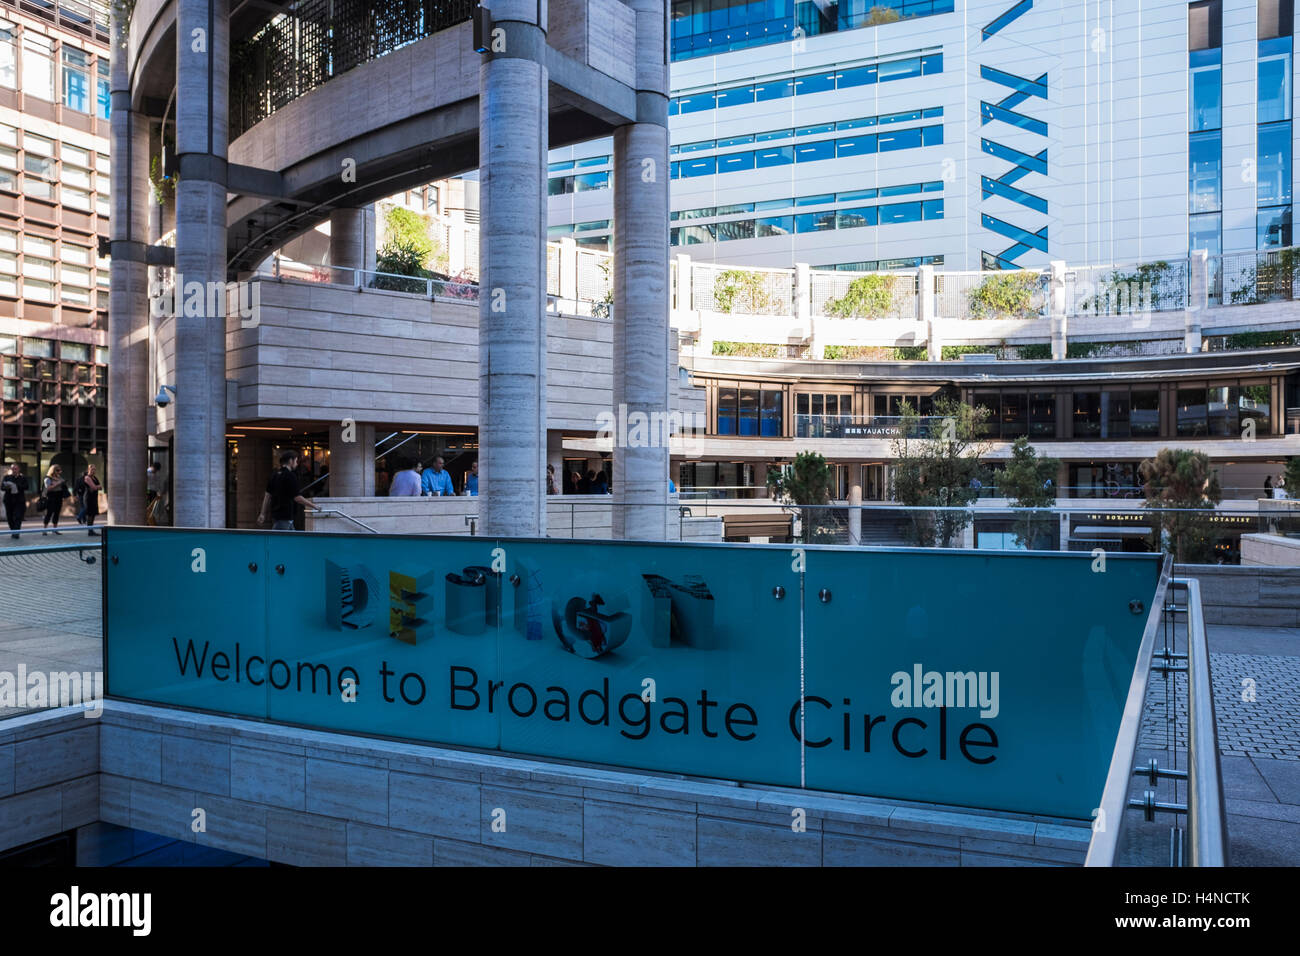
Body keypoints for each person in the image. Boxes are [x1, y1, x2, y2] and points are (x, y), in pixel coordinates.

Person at [258, 451, 319, 530]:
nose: (297, 464)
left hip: (277, 515)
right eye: (296, 461)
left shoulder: (274, 475)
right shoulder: (290, 476)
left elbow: (267, 496)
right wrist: (314, 506)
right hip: (285, 516)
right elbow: (297, 498)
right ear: (291, 461)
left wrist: (263, 513)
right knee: (279, 540)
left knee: (290, 540)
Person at [2, 463, 28, 539]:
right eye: (13, 469)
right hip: (8, 500)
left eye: (15, 469)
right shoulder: (6, 477)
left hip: (19, 500)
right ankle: (13, 531)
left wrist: (15, 485)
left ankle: (16, 533)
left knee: (18, 517)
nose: (14, 470)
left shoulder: (22, 478)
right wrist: (8, 486)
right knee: (9, 517)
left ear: (18, 469)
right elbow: (2, 488)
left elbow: (26, 487)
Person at [42, 465, 70, 534]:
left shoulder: (59, 477)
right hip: (51, 497)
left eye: (60, 470)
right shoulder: (48, 478)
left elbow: (62, 485)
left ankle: (55, 529)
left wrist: (63, 484)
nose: (59, 472)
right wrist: (57, 484)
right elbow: (48, 488)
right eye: (57, 470)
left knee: (57, 513)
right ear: (53, 470)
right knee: (49, 513)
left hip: (59, 496)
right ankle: (44, 530)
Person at [78, 465, 102, 535]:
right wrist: (97, 487)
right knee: (90, 514)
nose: (93, 471)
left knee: (93, 514)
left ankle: (91, 530)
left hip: (94, 497)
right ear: (88, 470)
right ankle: (90, 531)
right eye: (92, 470)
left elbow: (100, 487)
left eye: (94, 470)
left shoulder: (94, 478)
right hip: (88, 497)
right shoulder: (87, 477)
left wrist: (96, 487)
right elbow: (94, 487)